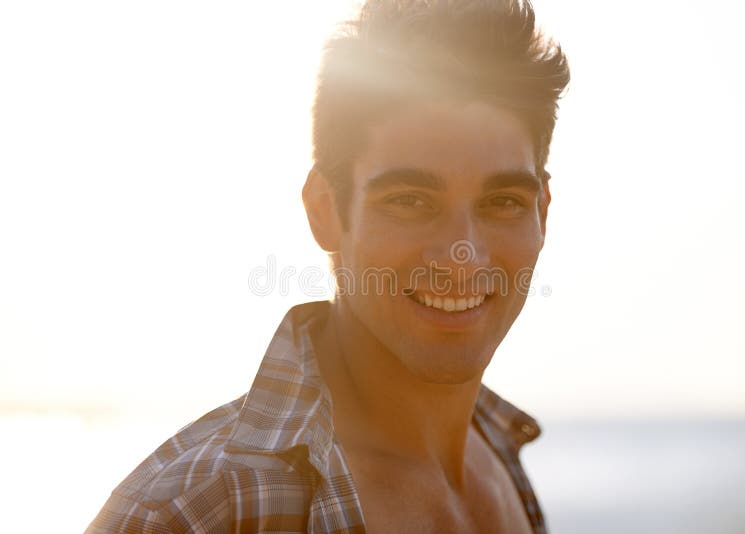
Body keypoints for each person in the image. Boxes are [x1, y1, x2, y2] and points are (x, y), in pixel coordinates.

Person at [87, 0, 569, 532]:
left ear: (542, 213)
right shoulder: (196, 513)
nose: (463, 255)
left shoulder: (499, 451)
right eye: (410, 201)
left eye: (502, 201)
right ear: (324, 210)